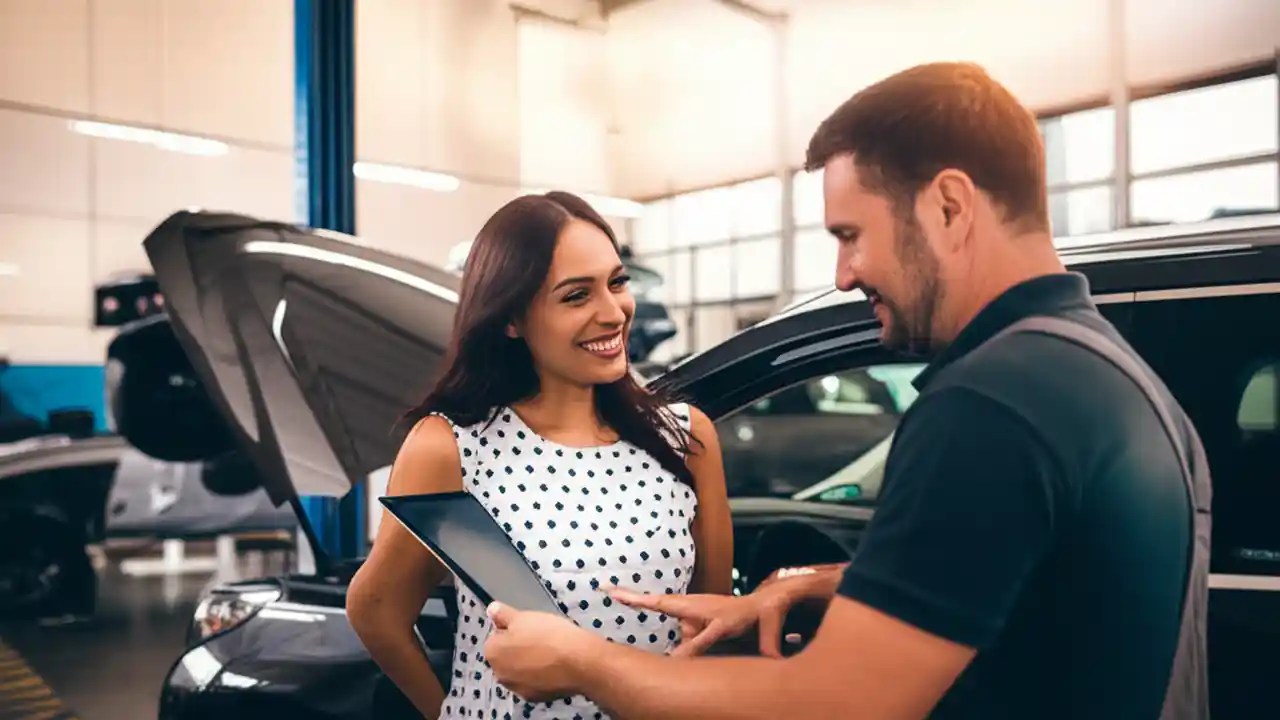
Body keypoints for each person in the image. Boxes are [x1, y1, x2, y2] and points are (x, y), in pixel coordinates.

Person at [480, 62, 1210, 719]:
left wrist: (584, 661)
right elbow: (1040, 584)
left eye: (851, 234)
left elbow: (830, 701)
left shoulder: (991, 406)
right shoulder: (1113, 377)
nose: (844, 274)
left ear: (949, 206)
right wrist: (830, 583)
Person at [346, 191, 734, 720]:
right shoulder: (455, 447)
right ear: (510, 318)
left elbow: (712, 624)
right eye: (576, 296)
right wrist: (452, 710)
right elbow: (377, 611)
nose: (612, 312)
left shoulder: (686, 439)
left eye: (616, 283)